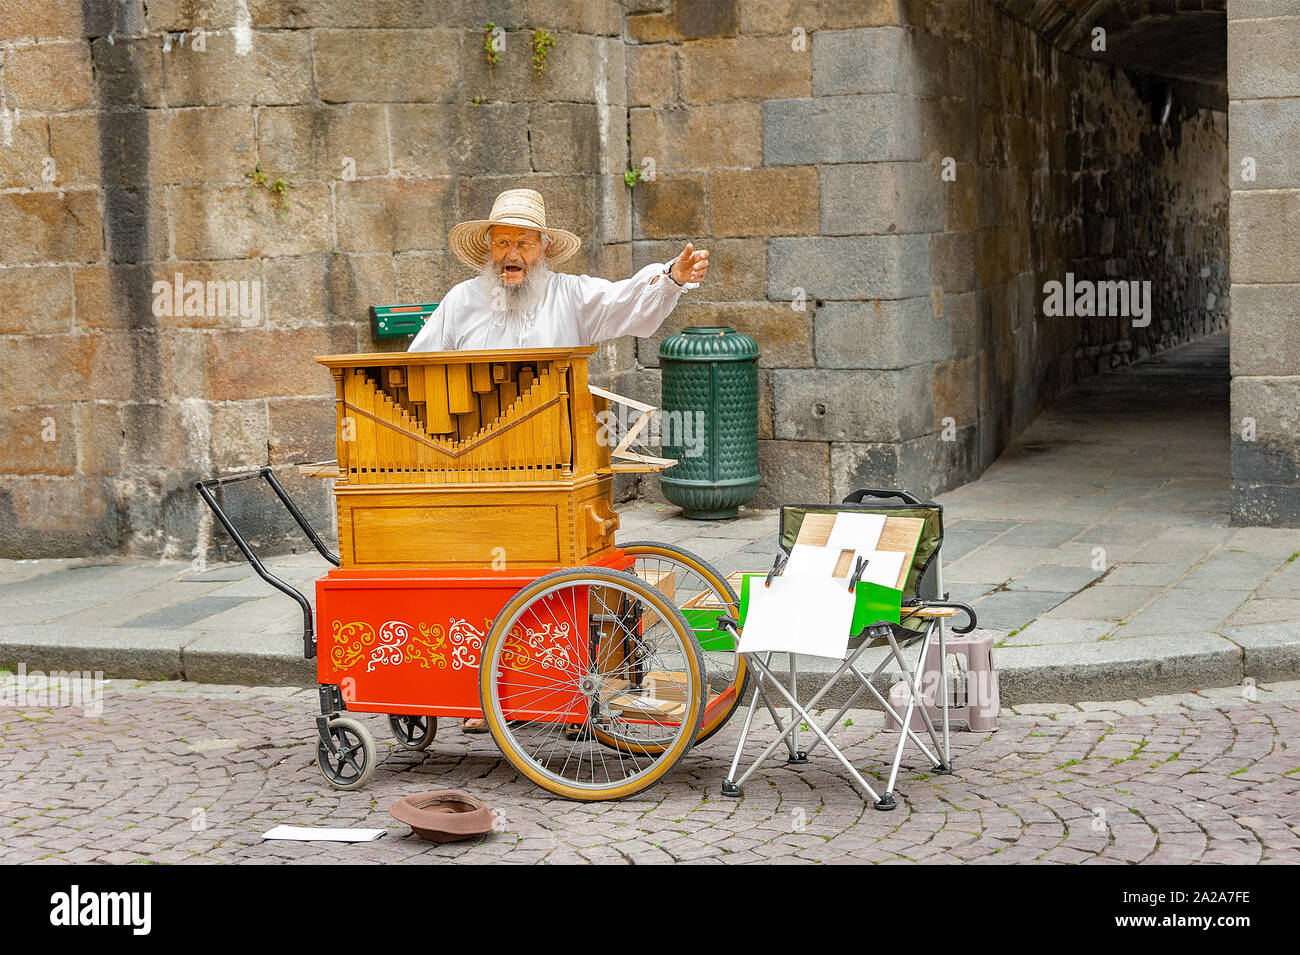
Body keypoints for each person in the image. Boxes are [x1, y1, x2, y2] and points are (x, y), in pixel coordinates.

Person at [410, 187, 709, 731]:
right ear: (487, 250)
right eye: (502, 242)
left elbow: (625, 302)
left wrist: (671, 276)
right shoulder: (460, 301)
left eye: (523, 241)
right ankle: (497, 695)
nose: (512, 254)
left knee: (554, 579)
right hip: (480, 468)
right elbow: (419, 367)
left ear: (543, 247)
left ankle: (557, 691)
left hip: (557, 465)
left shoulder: (570, 295)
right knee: (487, 580)